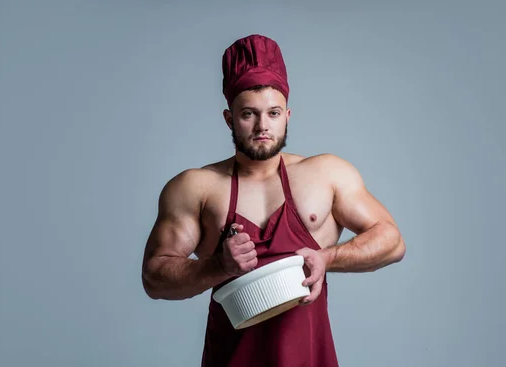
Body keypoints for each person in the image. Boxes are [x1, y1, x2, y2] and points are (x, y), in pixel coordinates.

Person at [141, 34, 406, 367]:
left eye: (274, 113)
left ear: (288, 115)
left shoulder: (326, 174)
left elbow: (392, 240)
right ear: (228, 118)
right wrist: (218, 265)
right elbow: (154, 277)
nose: (262, 126)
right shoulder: (195, 187)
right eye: (249, 114)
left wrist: (328, 258)